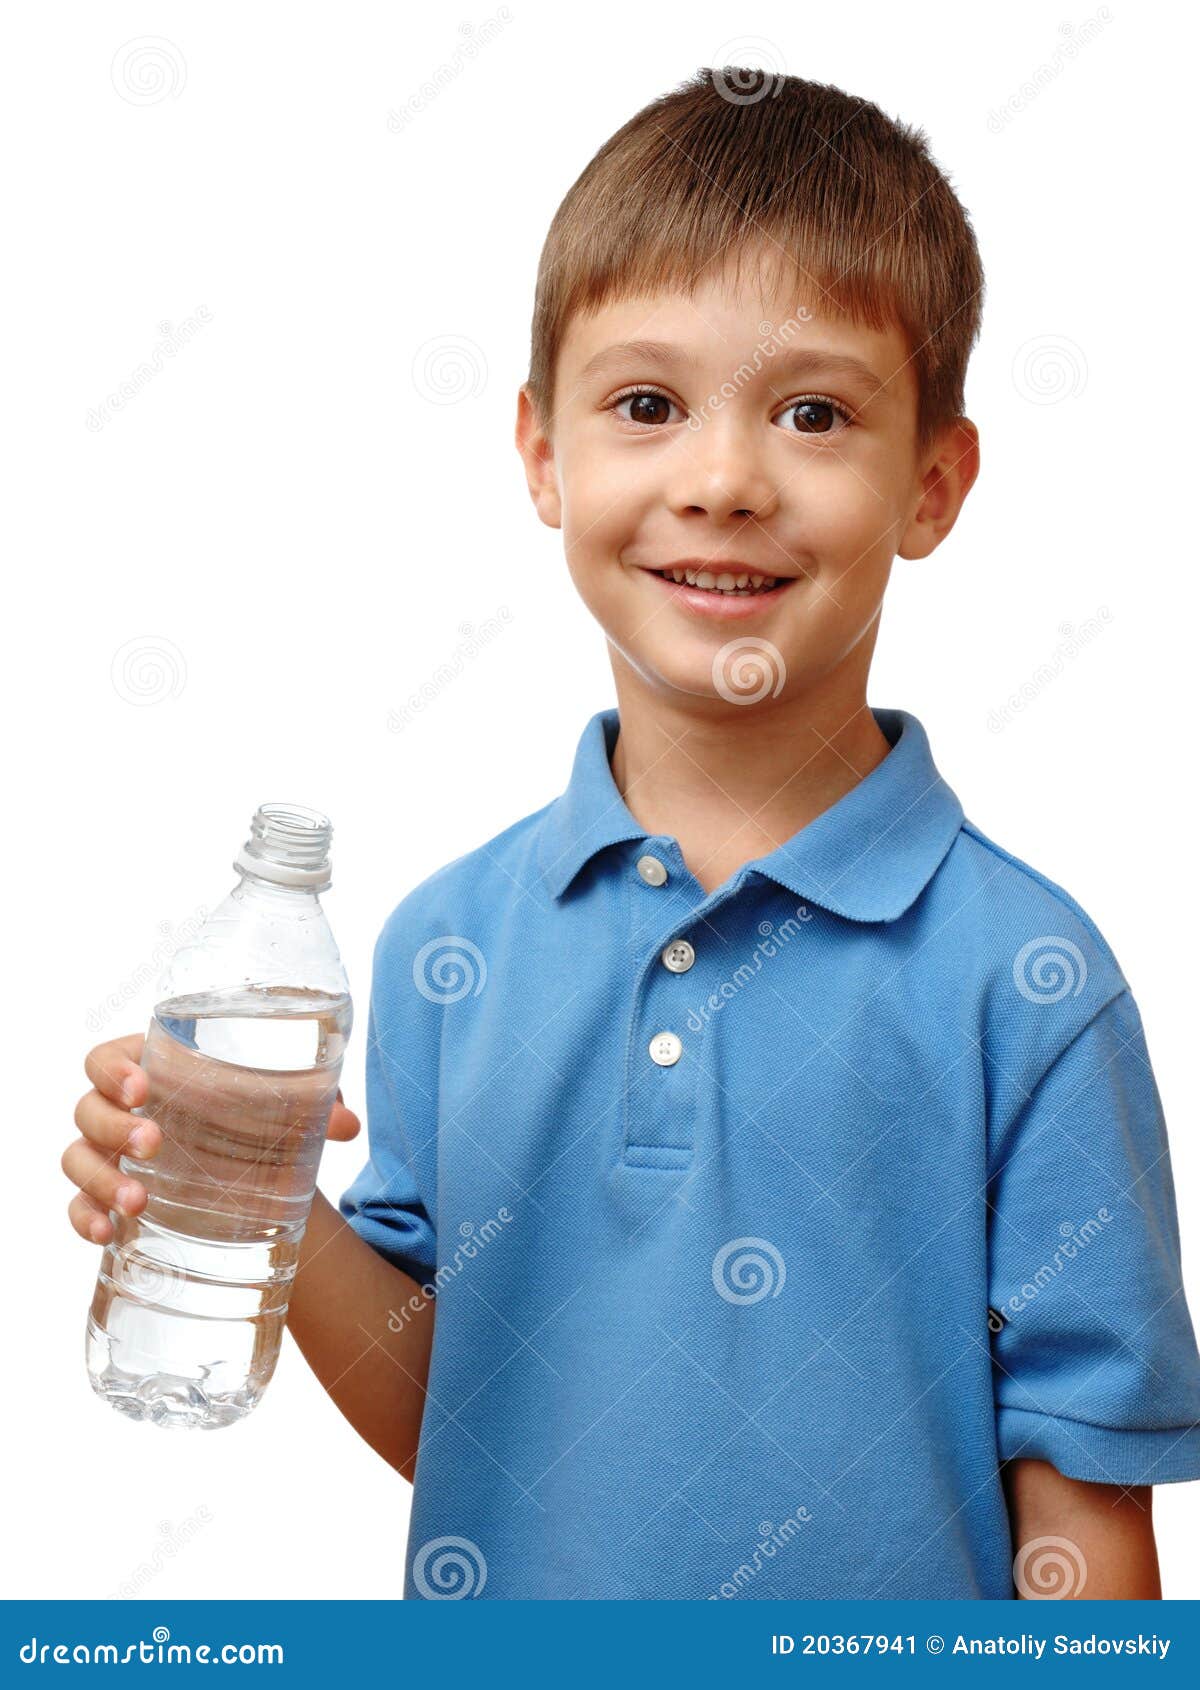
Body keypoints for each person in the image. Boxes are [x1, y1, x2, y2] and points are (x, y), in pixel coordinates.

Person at [65, 69, 1200, 1601]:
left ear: (932, 481)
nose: (721, 481)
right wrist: (258, 1202)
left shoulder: (1031, 975)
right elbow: (452, 1419)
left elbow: (1085, 1515)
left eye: (813, 412)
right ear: (543, 454)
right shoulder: (447, 944)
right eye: (647, 405)